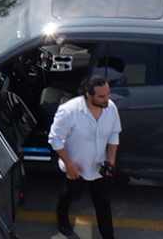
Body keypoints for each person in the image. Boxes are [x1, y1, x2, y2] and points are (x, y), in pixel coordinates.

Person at [51, 74, 121, 239]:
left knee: (103, 203)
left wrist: (111, 161)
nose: (107, 99)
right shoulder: (69, 111)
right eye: (101, 96)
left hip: (99, 168)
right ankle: (62, 222)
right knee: (70, 196)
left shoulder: (110, 108)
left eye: (108, 94)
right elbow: (55, 139)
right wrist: (69, 164)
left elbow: (114, 135)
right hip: (76, 168)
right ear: (88, 95)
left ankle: (108, 236)